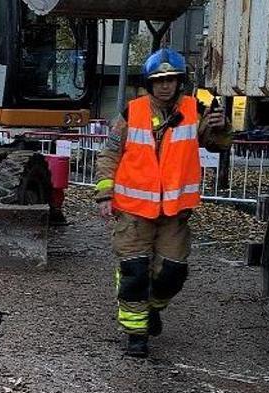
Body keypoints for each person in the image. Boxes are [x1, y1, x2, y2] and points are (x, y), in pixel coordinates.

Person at [94, 48, 232, 357]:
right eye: (159, 80)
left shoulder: (194, 110)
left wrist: (222, 127)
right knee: (135, 272)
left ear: (179, 81)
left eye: (171, 79)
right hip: (133, 210)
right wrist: (105, 194)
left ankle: (152, 307)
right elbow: (109, 155)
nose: (165, 85)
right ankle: (135, 335)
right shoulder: (132, 113)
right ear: (149, 83)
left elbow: (217, 143)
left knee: (172, 274)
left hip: (174, 212)